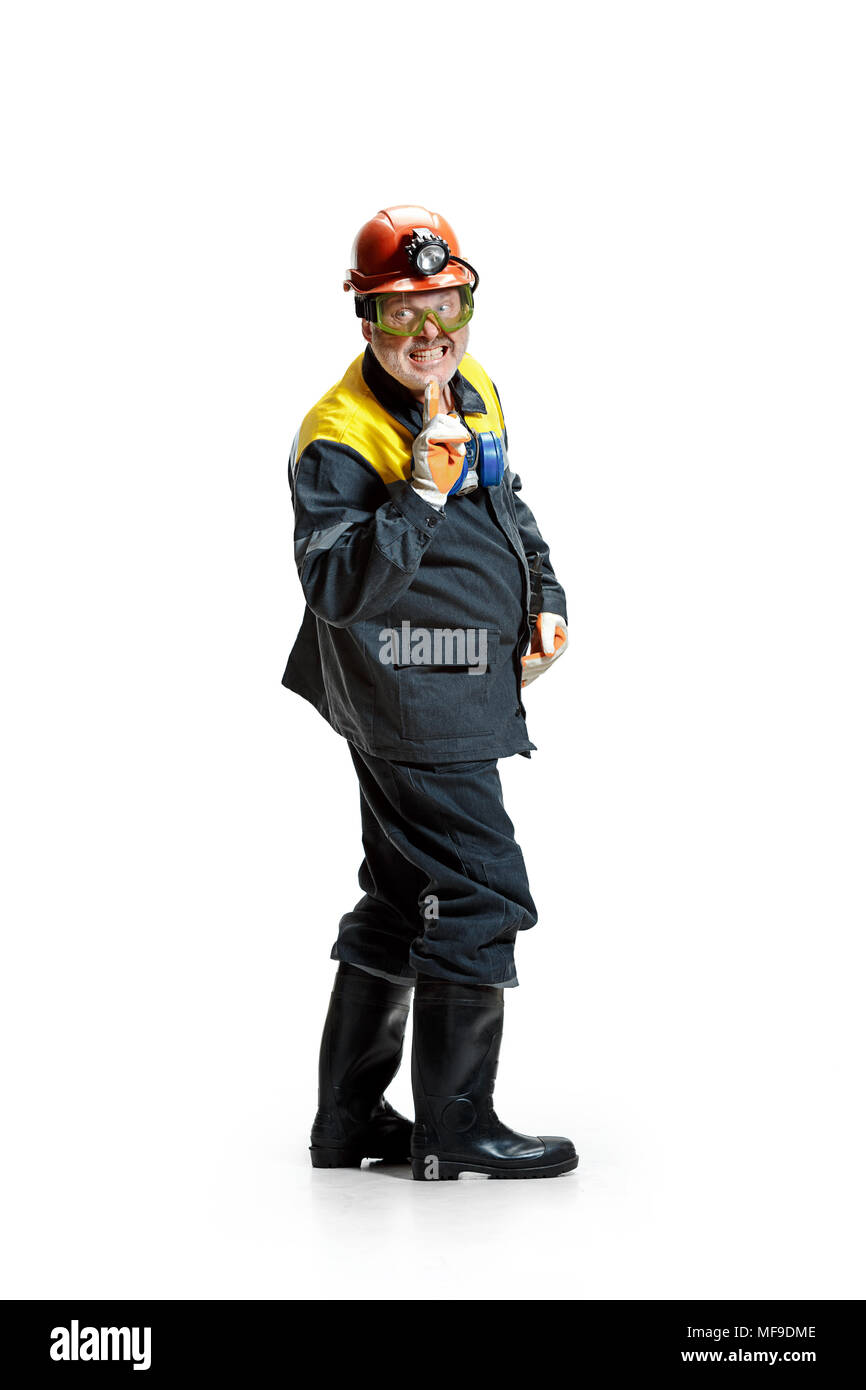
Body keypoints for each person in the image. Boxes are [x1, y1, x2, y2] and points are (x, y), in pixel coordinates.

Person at [282, 206, 578, 1180]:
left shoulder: (473, 385)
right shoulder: (338, 436)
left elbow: (506, 503)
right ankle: (457, 1124)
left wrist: (542, 596)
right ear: (364, 318)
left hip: (461, 676)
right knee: (482, 890)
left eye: (445, 302)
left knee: (405, 892)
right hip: (410, 690)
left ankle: (347, 1122)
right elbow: (333, 589)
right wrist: (417, 491)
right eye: (402, 310)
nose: (427, 331)